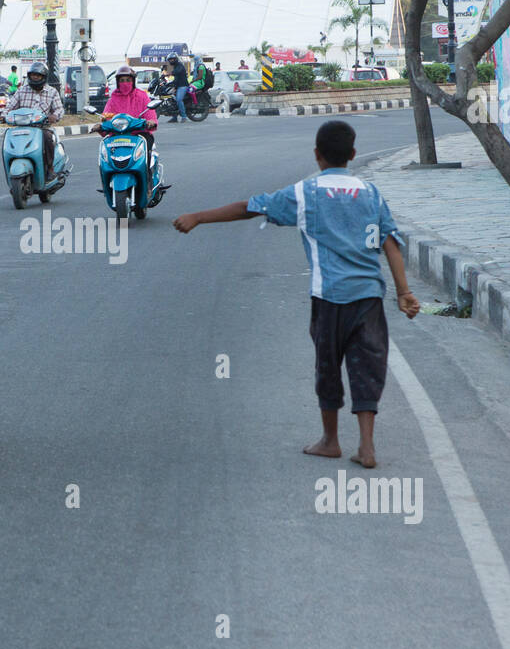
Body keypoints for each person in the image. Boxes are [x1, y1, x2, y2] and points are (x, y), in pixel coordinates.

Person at [172, 120, 420, 469]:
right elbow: (390, 242)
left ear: (317, 155)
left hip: (329, 297)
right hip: (368, 297)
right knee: (368, 368)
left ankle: (330, 440)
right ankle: (367, 447)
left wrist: (198, 216)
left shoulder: (305, 193)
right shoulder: (370, 193)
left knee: (327, 367)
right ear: (352, 154)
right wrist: (404, 292)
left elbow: (250, 207)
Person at [8, 61, 63, 175]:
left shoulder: (52, 92)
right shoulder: (21, 90)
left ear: (43, 77)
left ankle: (49, 168)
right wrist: (3, 116)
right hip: (22, 127)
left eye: (38, 75)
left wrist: (54, 116)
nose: (35, 77)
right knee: (8, 137)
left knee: (48, 138)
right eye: (33, 75)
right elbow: (10, 107)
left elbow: (59, 109)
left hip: (42, 127)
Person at [94, 64, 158, 153]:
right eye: (122, 80)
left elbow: (150, 115)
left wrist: (150, 122)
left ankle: (146, 166)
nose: (125, 83)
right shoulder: (113, 99)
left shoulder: (142, 96)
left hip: (139, 134)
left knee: (146, 150)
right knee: (105, 153)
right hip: (117, 136)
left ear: (133, 81)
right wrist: (101, 126)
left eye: (128, 80)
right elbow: (106, 117)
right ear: (117, 82)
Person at [166, 54, 190, 123]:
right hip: (178, 86)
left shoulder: (180, 65)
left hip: (183, 86)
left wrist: (169, 73)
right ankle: (174, 117)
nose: (171, 61)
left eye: (172, 59)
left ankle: (184, 117)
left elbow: (178, 72)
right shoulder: (175, 66)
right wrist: (170, 83)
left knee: (179, 100)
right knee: (172, 100)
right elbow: (176, 78)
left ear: (175, 59)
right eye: (170, 60)